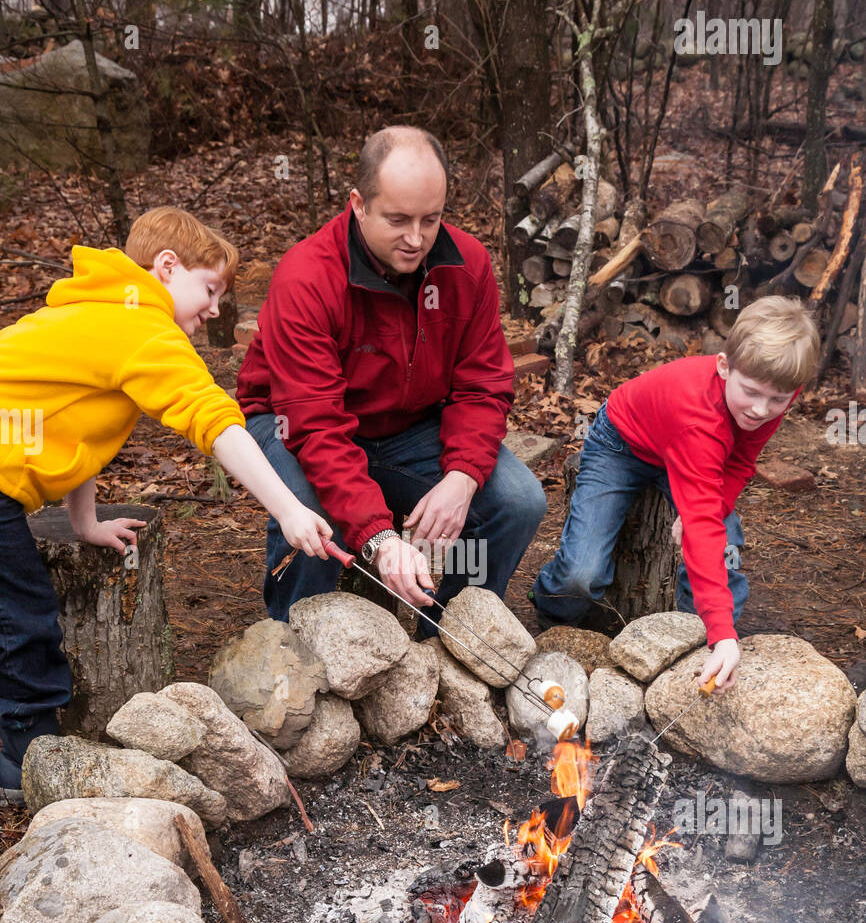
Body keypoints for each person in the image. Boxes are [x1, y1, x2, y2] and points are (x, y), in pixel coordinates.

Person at [0, 206, 331, 794]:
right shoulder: (142, 326)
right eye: (208, 289)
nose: (213, 309)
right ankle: (23, 749)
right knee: (24, 621)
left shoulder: (97, 310)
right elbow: (214, 420)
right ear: (167, 267)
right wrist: (287, 508)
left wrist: (83, 521)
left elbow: (79, 431)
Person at [237, 124, 547, 629]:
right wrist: (380, 539)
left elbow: (482, 385)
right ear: (358, 203)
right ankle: (295, 641)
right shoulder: (307, 278)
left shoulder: (467, 265)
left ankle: (449, 636)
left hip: (408, 428)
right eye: (398, 219)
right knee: (314, 507)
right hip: (290, 423)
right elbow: (315, 426)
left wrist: (463, 476)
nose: (417, 238)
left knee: (517, 501)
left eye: (432, 218)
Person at [530, 295, 820, 691]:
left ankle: (699, 644)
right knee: (583, 572)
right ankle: (552, 617)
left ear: (793, 390)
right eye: (751, 392)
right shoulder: (698, 418)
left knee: (726, 548)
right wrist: (701, 518)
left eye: (777, 400)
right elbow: (700, 527)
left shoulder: (767, 397)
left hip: (692, 455)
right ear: (723, 366)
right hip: (622, 444)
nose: (760, 410)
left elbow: (738, 461)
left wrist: (713, 509)